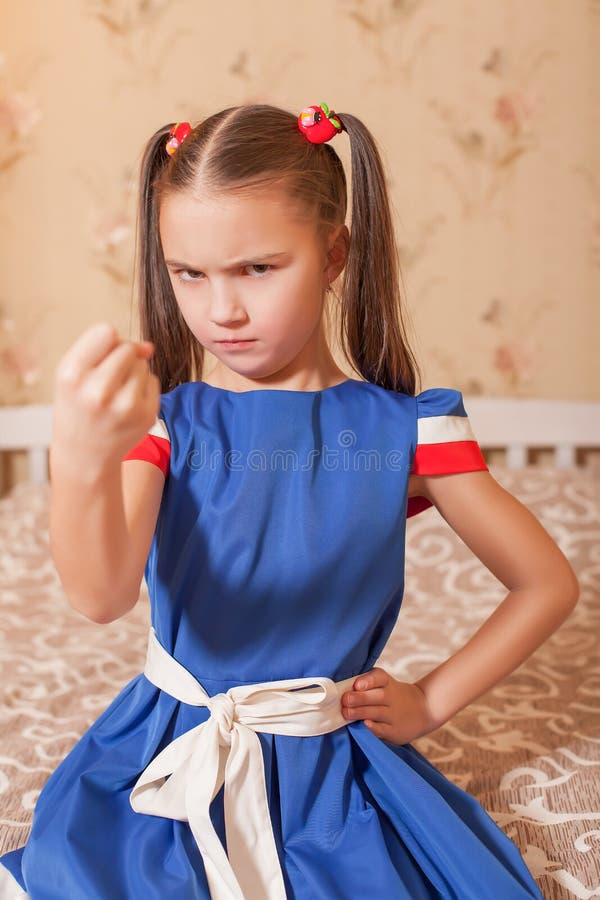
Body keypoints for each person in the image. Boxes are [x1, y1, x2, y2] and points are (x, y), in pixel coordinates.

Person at [0, 102, 579, 899]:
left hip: (332, 769)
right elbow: (100, 598)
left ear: (334, 252)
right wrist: (80, 460)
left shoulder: (406, 431)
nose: (220, 310)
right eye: (188, 274)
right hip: (168, 751)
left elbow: (548, 583)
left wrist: (432, 701)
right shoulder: (167, 426)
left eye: (258, 269)